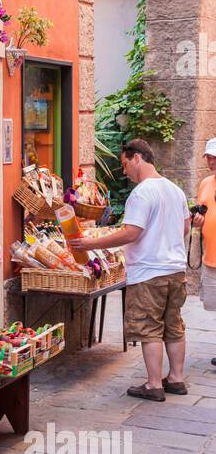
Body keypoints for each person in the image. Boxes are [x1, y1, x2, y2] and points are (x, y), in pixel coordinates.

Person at [68, 138, 190, 401]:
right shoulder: (174, 190)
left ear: (137, 158)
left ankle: (154, 384)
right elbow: (185, 227)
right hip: (175, 270)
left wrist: (90, 242)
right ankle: (177, 379)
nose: (124, 171)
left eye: (124, 164)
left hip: (148, 272)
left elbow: (131, 233)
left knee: (149, 329)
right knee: (174, 325)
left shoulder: (142, 193)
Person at [191, 138, 216, 366]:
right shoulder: (206, 183)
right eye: (208, 156)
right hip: (211, 256)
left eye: (214, 157)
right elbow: (203, 216)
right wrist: (197, 221)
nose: (211, 161)